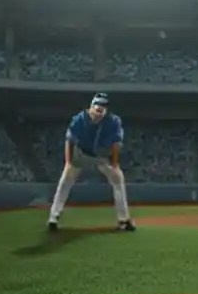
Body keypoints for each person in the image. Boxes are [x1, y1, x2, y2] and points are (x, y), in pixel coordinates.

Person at [47, 93, 135, 232]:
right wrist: (69, 162)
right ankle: (53, 217)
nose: (99, 111)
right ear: (91, 107)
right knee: (65, 181)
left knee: (118, 180)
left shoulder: (113, 121)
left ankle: (123, 220)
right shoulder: (79, 119)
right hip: (81, 153)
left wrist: (115, 164)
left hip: (101, 154)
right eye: (97, 107)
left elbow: (116, 145)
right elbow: (69, 140)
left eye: (103, 108)